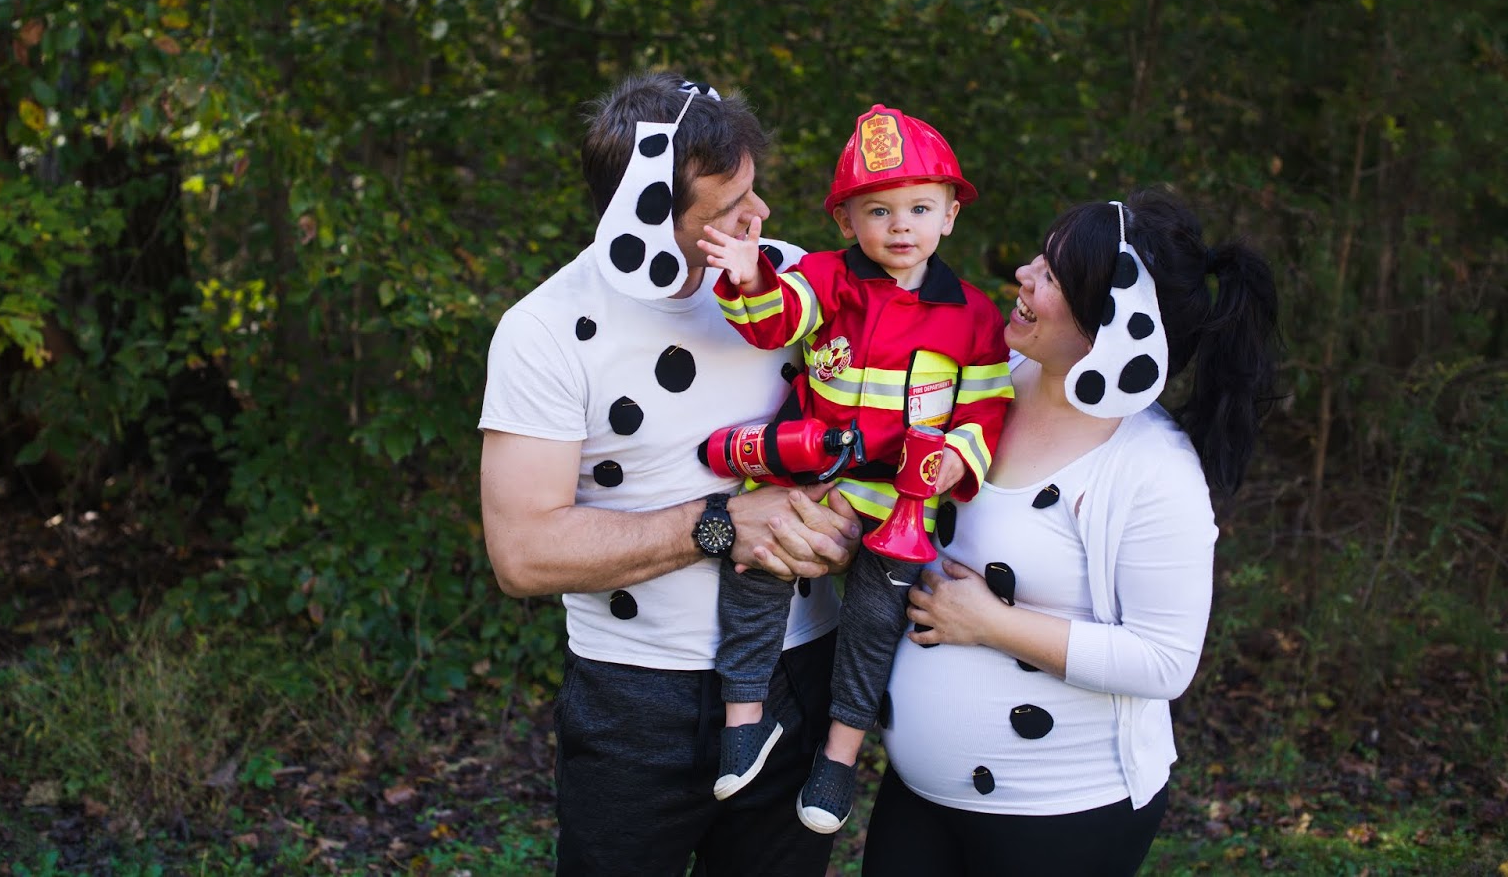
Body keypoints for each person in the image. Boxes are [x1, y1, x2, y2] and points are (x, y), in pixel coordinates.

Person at [478, 71, 862, 877]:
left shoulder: (795, 283)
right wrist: (721, 524)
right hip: (635, 700)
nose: (759, 219)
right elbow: (523, 553)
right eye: (728, 210)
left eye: (754, 192)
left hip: (800, 671)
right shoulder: (545, 330)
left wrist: (850, 520)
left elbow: (888, 419)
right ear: (646, 216)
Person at [862, 188, 1279, 877]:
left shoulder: (1152, 468)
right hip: (919, 793)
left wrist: (993, 625)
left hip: (1062, 813)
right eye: (1041, 259)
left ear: (1108, 329)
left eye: (1051, 277)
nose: (1024, 274)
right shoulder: (991, 378)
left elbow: (1165, 662)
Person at [695, 104, 1013, 835]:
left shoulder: (972, 315)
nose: (900, 226)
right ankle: (745, 717)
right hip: (815, 475)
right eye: (879, 211)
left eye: (920, 208)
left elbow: (988, 404)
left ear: (951, 215)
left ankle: (839, 758)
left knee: (875, 624)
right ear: (847, 224)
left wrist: (955, 459)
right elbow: (778, 319)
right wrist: (749, 280)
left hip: (900, 497)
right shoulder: (828, 277)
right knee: (756, 567)